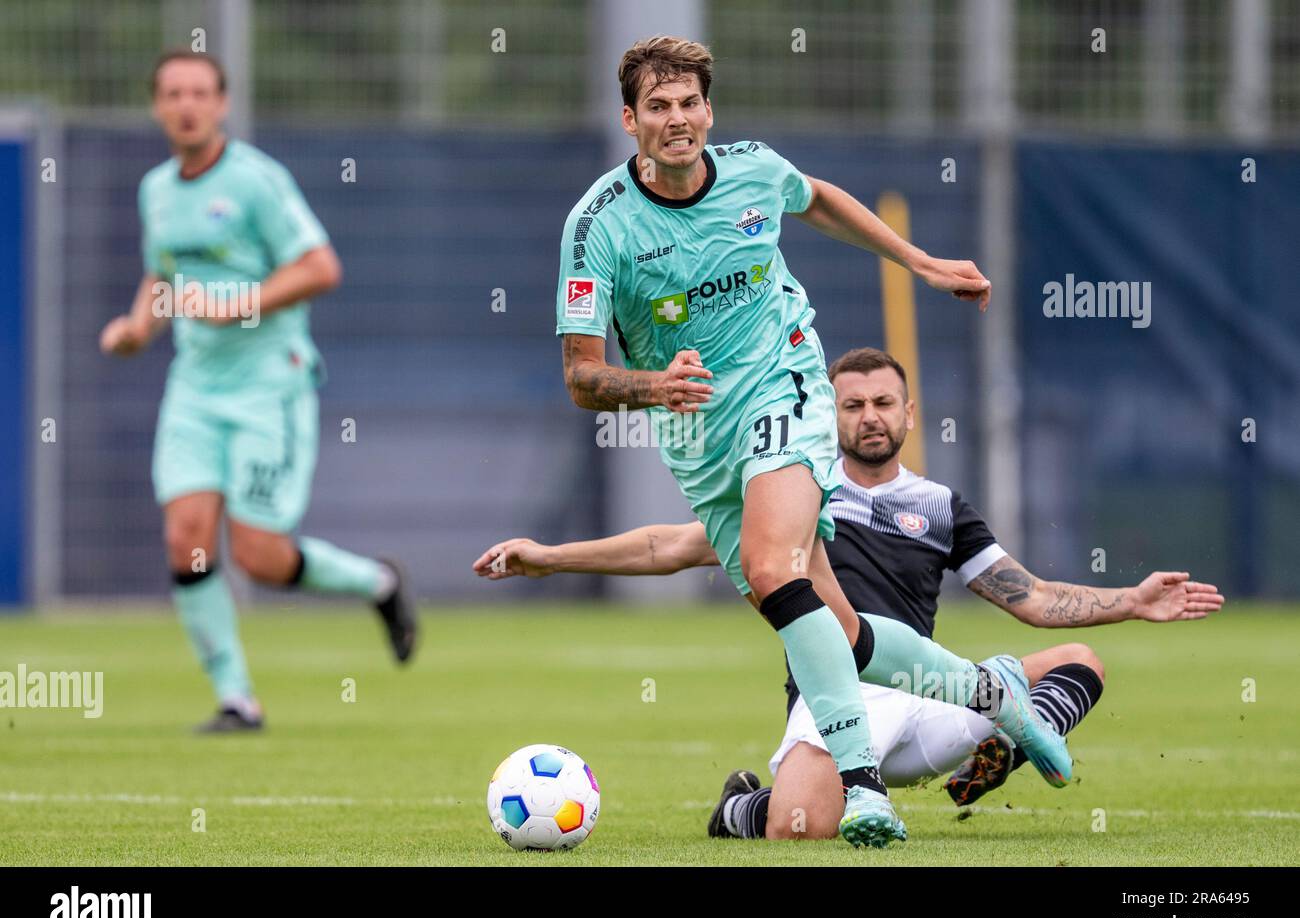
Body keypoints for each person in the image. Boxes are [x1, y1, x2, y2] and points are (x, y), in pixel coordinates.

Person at [552, 35, 1068, 847]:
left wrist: (918, 261)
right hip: (698, 437)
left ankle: (865, 790)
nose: (677, 120)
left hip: (785, 382)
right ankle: (991, 696)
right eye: (658, 107)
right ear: (630, 121)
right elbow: (583, 376)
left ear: (709, 112)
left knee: (771, 567)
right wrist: (653, 385)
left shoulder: (753, 167)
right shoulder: (597, 228)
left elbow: (816, 197)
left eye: (690, 104)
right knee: (836, 623)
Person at [475, 346, 1224, 839]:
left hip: (934, 694)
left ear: (908, 413)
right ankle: (746, 803)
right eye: (853, 403)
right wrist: (549, 558)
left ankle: (991, 750)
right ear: (829, 414)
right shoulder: (794, 491)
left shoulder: (940, 506)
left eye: (883, 402)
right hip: (839, 705)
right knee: (798, 833)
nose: (870, 415)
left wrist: (1131, 598)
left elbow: (1025, 597)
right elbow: (665, 546)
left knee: (1080, 660)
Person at [99, 50, 418, 733]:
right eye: (173, 93)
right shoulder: (155, 189)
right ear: (158, 106)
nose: (186, 104)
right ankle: (237, 699)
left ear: (221, 103)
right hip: (194, 389)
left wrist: (238, 301)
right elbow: (163, 278)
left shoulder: (255, 182)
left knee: (260, 556)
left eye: (200, 93)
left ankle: (379, 584)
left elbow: (320, 267)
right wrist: (135, 330)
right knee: (185, 536)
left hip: (269, 386)